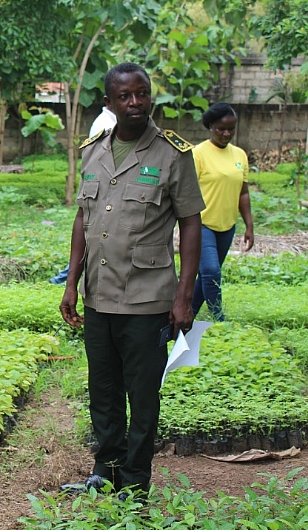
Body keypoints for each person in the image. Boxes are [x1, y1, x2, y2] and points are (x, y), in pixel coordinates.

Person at [58, 62, 205, 499]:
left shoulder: (173, 154)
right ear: (109, 103)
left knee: (141, 396)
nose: (136, 102)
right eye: (125, 96)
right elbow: (83, 218)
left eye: (142, 93)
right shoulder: (93, 151)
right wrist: (71, 282)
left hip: (146, 297)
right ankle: (105, 470)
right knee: (102, 389)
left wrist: (184, 295)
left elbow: (191, 224)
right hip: (99, 295)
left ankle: (136, 482)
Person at [191, 103, 254, 322]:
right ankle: (218, 318)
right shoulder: (198, 154)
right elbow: (186, 192)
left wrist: (249, 226)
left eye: (231, 129)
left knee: (206, 275)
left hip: (227, 225)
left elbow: (243, 193)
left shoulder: (240, 155)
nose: (226, 133)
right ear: (210, 127)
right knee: (211, 271)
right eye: (221, 129)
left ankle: (187, 315)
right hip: (202, 223)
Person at [49, 108, 117, 285]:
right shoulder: (106, 124)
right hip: (103, 193)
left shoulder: (107, 121)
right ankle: (60, 280)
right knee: (91, 244)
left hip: (105, 193)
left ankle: (60, 279)